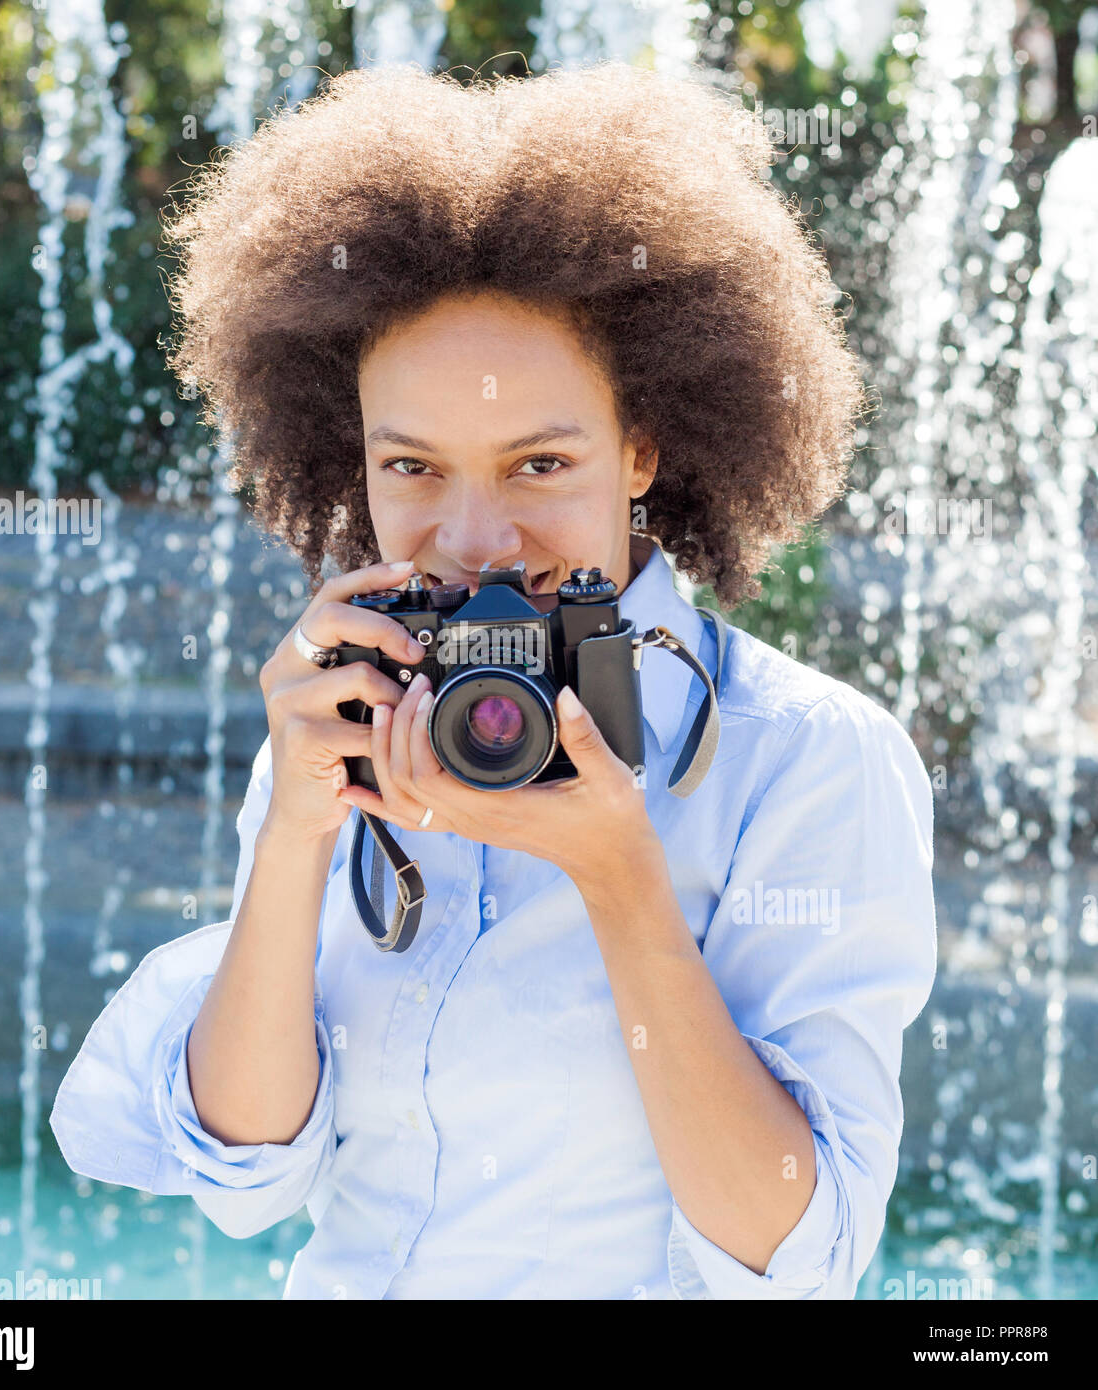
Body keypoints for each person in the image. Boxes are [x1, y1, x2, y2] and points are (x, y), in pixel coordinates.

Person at [50, 60, 937, 1299]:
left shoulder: (802, 755)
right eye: (410, 466)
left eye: (537, 464)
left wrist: (622, 877)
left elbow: (800, 1255)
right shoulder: (339, 721)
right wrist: (300, 833)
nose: (473, 538)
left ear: (640, 448)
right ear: (345, 454)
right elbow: (245, 1177)